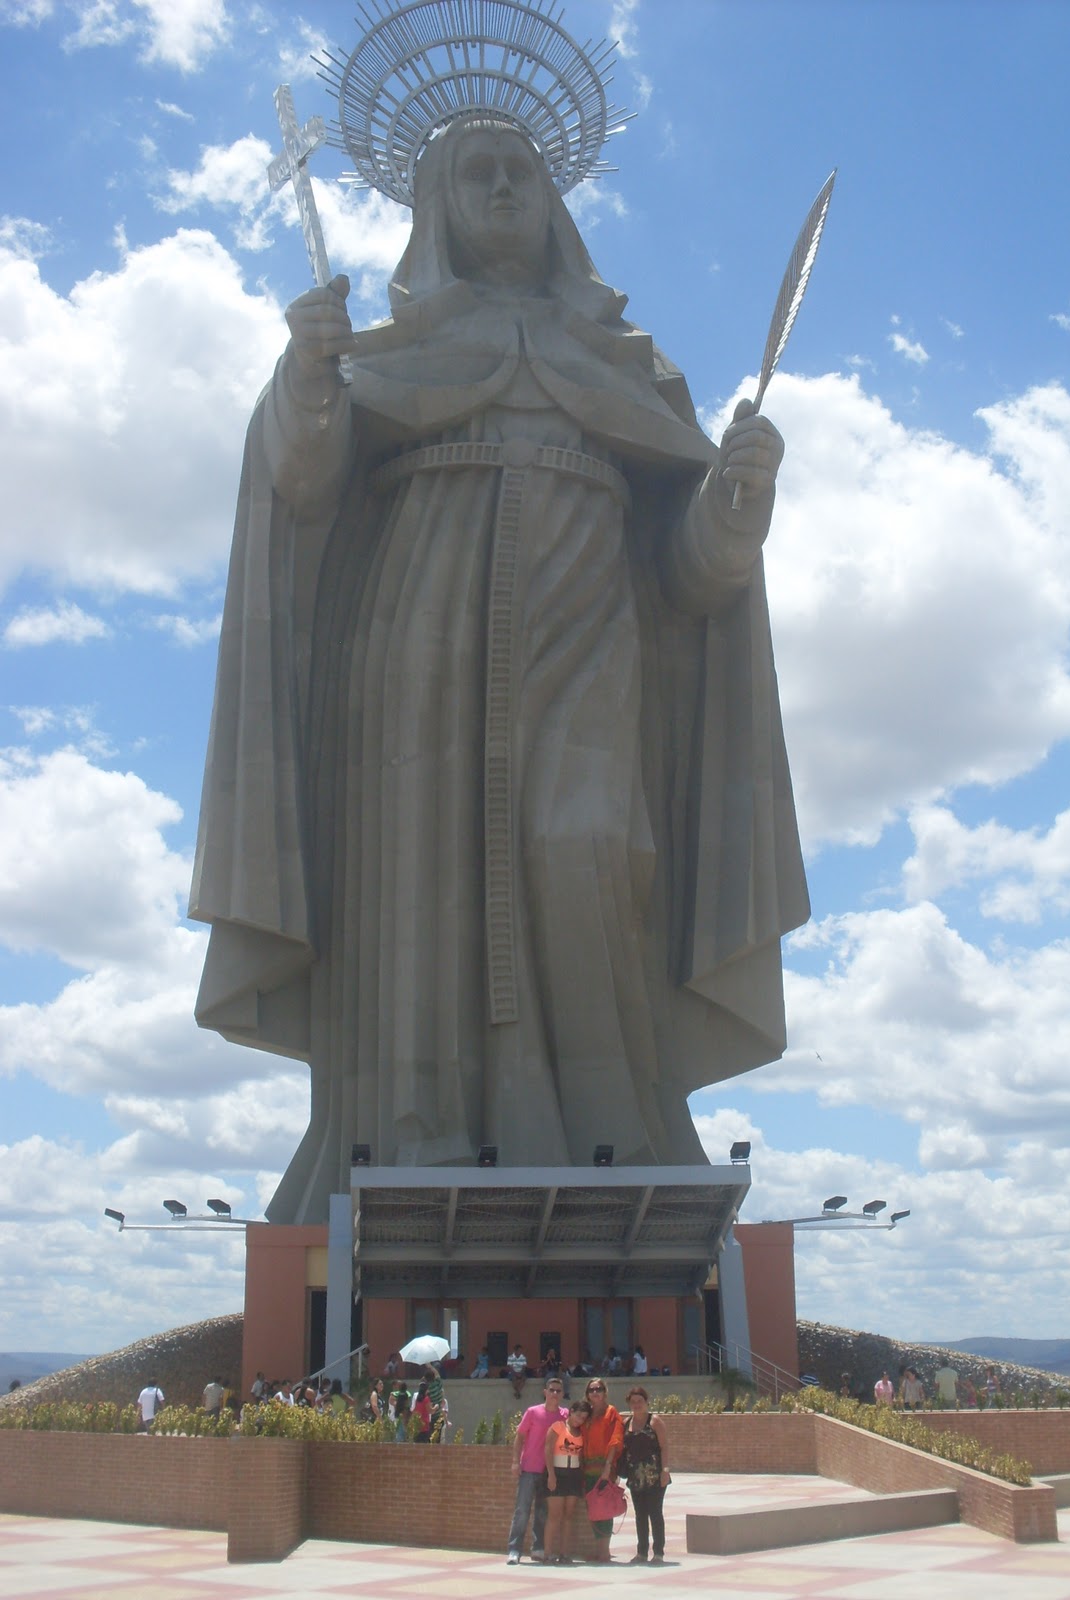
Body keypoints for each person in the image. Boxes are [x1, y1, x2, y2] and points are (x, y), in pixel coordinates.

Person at [190, 113, 807, 1227]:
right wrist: (311, 378)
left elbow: (690, 577)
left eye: (522, 169)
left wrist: (734, 504)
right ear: (438, 208)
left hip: (592, 624)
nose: (506, 186)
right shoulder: (384, 350)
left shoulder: (632, 368)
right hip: (416, 624)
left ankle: (616, 1137)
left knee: (592, 845)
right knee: (422, 868)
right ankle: (408, 1136)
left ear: (556, 200)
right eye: (477, 172)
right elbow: (303, 482)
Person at [507, 1376, 568, 1564]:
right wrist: (516, 1462)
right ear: (545, 1392)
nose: (555, 1393)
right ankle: (514, 1550)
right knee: (522, 1510)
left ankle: (538, 1548)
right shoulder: (532, 1412)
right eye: (552, 1390)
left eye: (558, 1390)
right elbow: (520, 1437)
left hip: (549, 1472)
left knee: (543, 1512)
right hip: (529, 1469)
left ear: (562, 1394)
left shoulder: (564, 1415)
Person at [621, 1385, 670, 1565]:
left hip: (655, 1475)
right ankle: (641, 1552)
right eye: (633, 1402)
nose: (636, 1405)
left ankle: (658, 1553)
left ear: (646, 1402)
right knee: (640, 1514)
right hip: (635, 1476)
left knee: (655, 1513)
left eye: (639, 1401)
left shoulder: (655, 1421)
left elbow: (664, 1447)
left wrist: (665, 1471)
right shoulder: (626, 1423)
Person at [580, 1377, 624, 1563]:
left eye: (598, 1389)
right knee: (593, 1509)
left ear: (605, 1392)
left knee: (604, 1509)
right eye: (591, 1390)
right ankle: (599, 1551)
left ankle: (604, 1552)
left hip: (605, 1469)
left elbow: (615, 1439)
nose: (595, 1392)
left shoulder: (611, 1412)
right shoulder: (586, 1414)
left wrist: (608, 1467)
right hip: (587, 1469)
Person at [543, 1398, 589, 1564]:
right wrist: (551, 1475)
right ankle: (547, 1553)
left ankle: (564, 1553)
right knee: (555, 1515)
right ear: (571, 1412)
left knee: (569, 1515)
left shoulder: (582, 1432)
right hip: (557, 1472)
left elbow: (582, 1456)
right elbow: (548, 1449)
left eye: (583, 1418)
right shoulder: (558, 1427)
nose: (579, 1420)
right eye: (578, 1415)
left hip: (574, 1474)